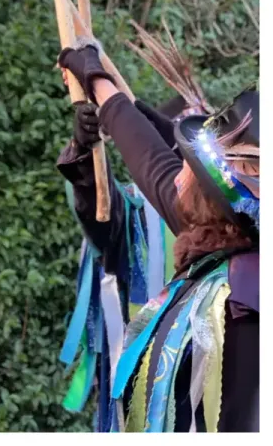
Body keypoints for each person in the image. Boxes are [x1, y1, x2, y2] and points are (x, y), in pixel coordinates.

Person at [57, 43, 258, 432]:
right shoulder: (223, 243)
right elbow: (151, 164)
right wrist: (98, 93)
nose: (179, 170)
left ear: (218, 192)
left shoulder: (246, 302)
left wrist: (101, 84)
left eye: (190, 164)